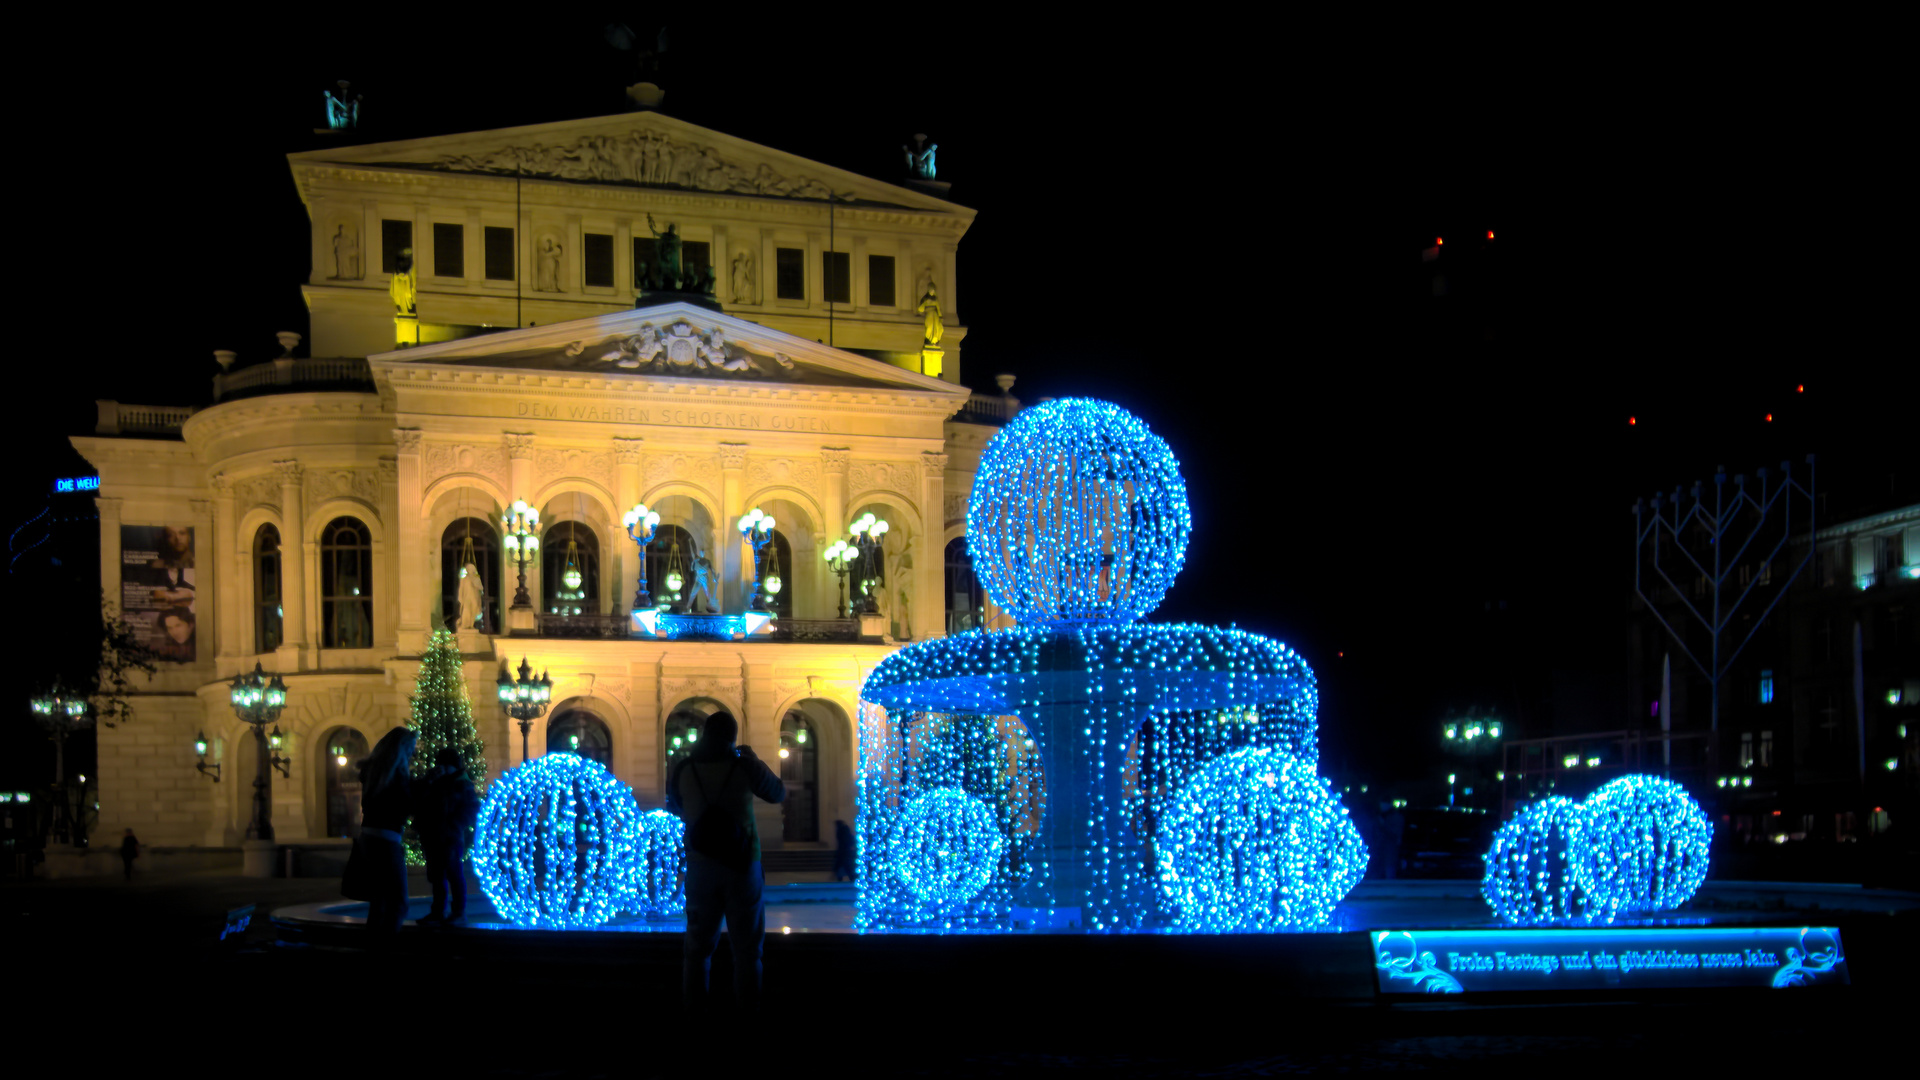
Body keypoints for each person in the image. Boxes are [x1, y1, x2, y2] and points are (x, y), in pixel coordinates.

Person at [666, 711, 785, 1009]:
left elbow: (677, 806)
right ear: (732, 737)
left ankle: (694, 1011)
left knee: (696, 950)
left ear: (705, 734)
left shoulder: (684, 769)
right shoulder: (743, 766)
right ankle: (748, 1011)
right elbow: (777, 792)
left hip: (700, 866)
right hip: (743, 865)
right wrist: (753, 760)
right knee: (747, 952)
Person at [357, 727, 417, 935]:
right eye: (410, 748)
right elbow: (407, 806)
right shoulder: (397, 776)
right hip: (387, 839)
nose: (412, 754)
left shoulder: (373, 771)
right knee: (399, 903)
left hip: (368, 838)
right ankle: (387, 950)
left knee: (379, 901)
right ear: (401, 749)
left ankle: (373, 946)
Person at [414, 746, 482, 925]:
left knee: (453, 874)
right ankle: (438, 912)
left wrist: (454, 825)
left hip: (450, 836)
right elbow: (420, 802)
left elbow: (472, 808)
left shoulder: (461, 782)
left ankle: (458, 912)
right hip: (433, 835)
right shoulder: (436, 781)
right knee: (437, 876)